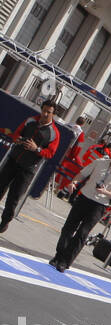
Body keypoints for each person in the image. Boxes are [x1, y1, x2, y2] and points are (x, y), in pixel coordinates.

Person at [50, 141, 111, 272]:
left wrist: (106, 192)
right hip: (84, 197)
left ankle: (65, 261)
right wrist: (74, 183)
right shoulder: (100, 162)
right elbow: (83, 173)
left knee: (82, 233)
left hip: (100, 204)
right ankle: (58, 255)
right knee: (68, 227)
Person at [0, 99, 61, 233]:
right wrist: (17, 139)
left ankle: (4, 222)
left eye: (49, 112)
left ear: (53, 114)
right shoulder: (31, 120)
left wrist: (36, 149)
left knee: (14, 197)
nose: (45, 114)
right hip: (14, 160)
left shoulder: (54, 133)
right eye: (44, 110)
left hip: (28, 168)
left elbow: (50, 153)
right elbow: (17, 133)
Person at [52, 115, 88, 192]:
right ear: (83, 124)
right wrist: (73, 156)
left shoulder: (67, 125)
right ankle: (57, 187)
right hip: (68, 153)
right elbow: (78, 147)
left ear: (76, 120)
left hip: (57, 148)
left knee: (52, 164)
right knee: (61, 170)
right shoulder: (81, 134)